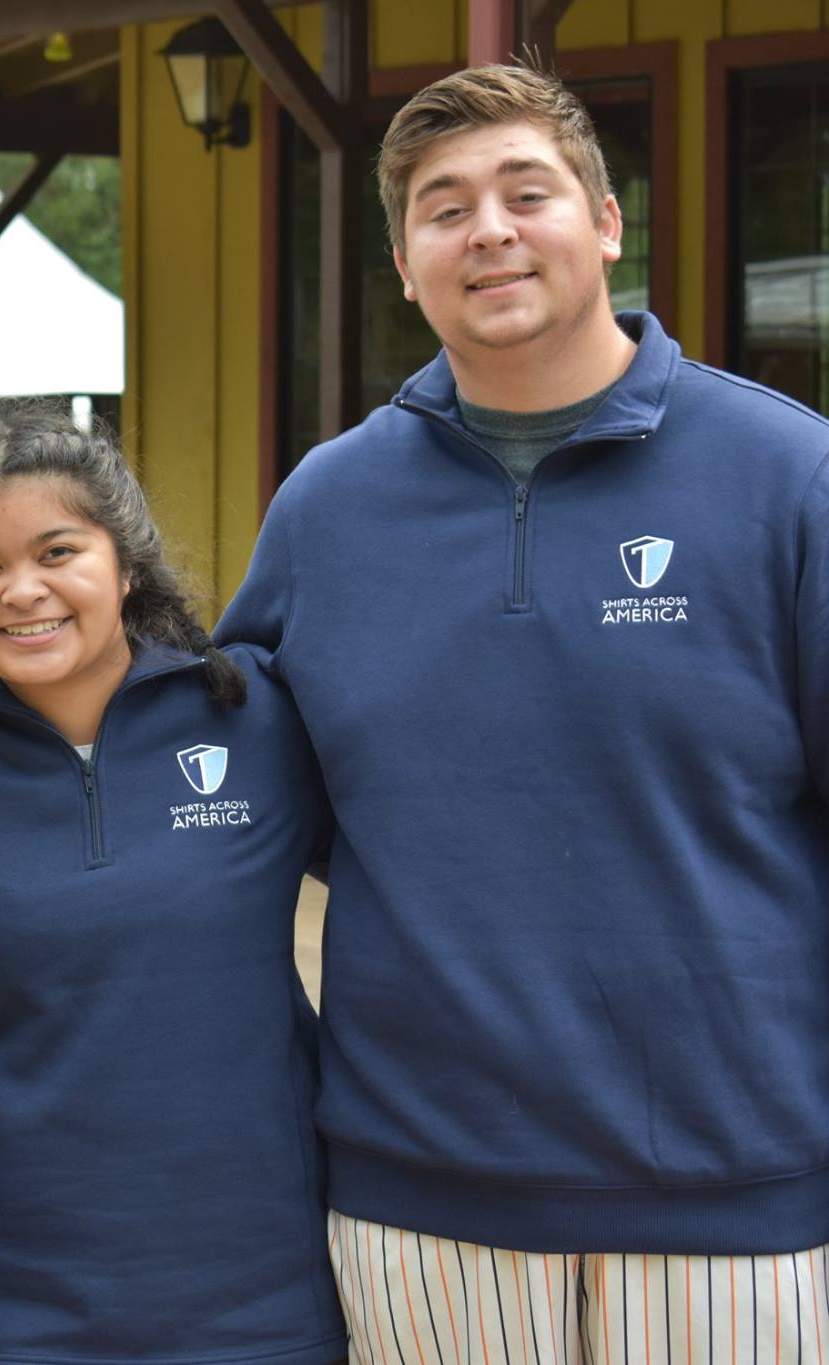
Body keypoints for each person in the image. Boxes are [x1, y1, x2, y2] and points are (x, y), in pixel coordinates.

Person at [213, 65, 829, 1358]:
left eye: (526, 191)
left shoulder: (788, 477)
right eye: (445, 207)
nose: (487, 228)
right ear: (401, 261)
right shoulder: (326, 511)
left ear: (607, 223)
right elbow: (232, 788)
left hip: (741, 1186)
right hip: (421, 1190)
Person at [0, 407, 343, 1365]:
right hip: (12, 1291)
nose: (23, 591)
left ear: (124, 564)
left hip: (262, 1288)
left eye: (57, 550)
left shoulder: (256, 714)